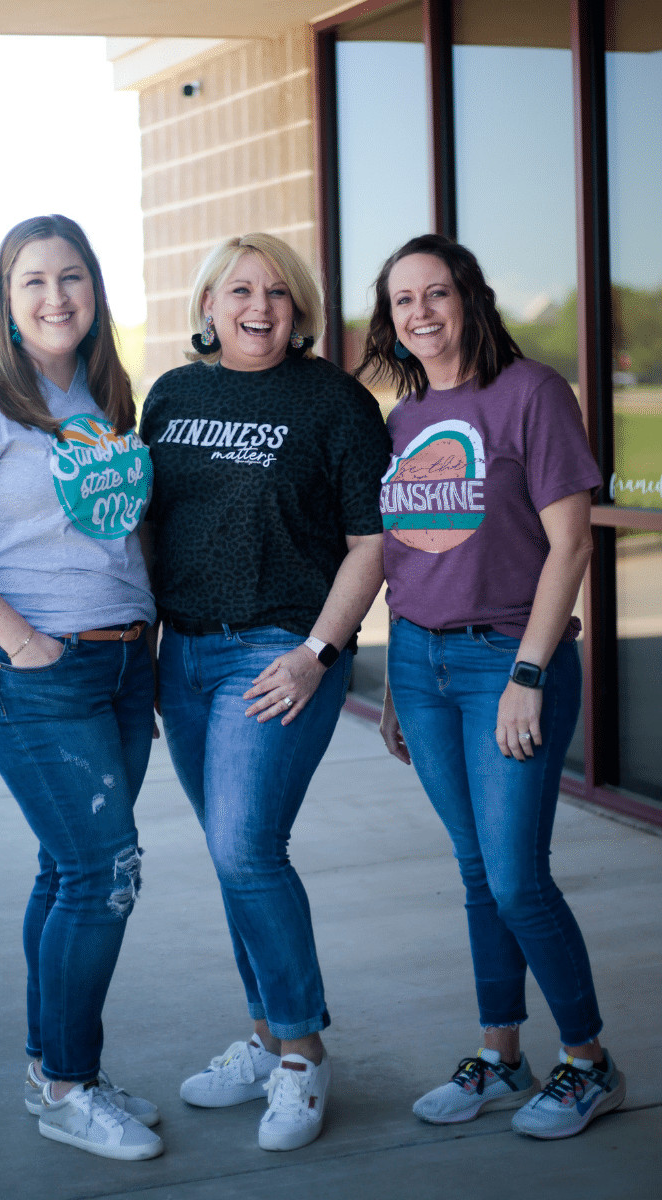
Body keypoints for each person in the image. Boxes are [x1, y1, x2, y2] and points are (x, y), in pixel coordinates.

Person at [0, 214, 164, 1162]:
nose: (56, 298)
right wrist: (24, 643)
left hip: (124, 664)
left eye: (73, 278)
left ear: (95, 292)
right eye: (33, 282)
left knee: (71, 871)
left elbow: (117, 533)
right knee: (105, 874)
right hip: (33, 672)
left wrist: (149, 647)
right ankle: (67, 1086)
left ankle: (54, 1067)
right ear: (6, 304)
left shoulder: (101, 391)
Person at [357, 233, 626, 1140]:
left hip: (507, 661)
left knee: (517, 879)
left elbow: (573, 545)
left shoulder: (533, 395)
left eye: (437, 293)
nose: (422, 313)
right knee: (477, 874)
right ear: (388, 321)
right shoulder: (400, 420)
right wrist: (397, 678)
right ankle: (501, 1055)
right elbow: (405, 558)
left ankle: (588, 1062)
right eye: (403, 301)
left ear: (470, 299)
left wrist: (528, 673)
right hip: (422, 667)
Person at [139, 232, 391, 1151]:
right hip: (186, 659)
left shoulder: (338, 404)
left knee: (248, 846)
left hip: (284, 652)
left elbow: (372, 542)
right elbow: (141, 522)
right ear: (208, 304)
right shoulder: (172, 396)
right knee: (227, 854)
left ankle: (303, 1054)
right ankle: (263, 1035)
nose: (260, 305)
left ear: (302, 309)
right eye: (240, 289)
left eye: (280, 292)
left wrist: (320, 653)